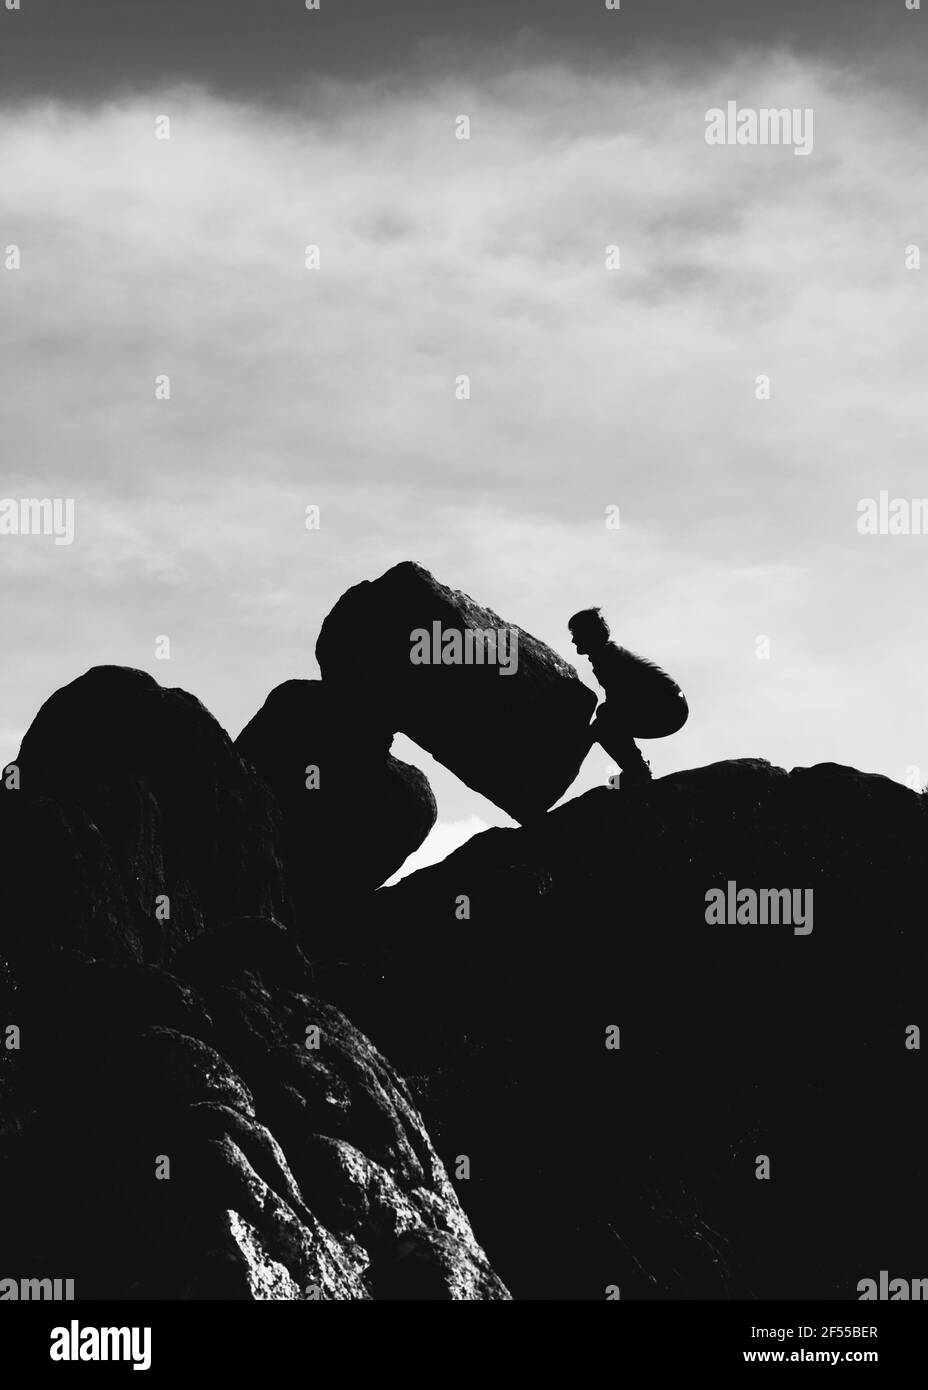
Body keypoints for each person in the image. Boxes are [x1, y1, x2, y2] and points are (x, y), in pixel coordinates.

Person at [568, 607, 688, 785]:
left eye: (577, 633)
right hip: (669, 707)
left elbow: (617, 704)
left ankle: (638, 771)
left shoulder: (608, 657)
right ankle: (636, 769)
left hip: (668, 709)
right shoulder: (607, 654)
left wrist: (588, 737)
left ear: (590, 634)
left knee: (605, 721)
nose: (573, 640)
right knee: (605, 720)